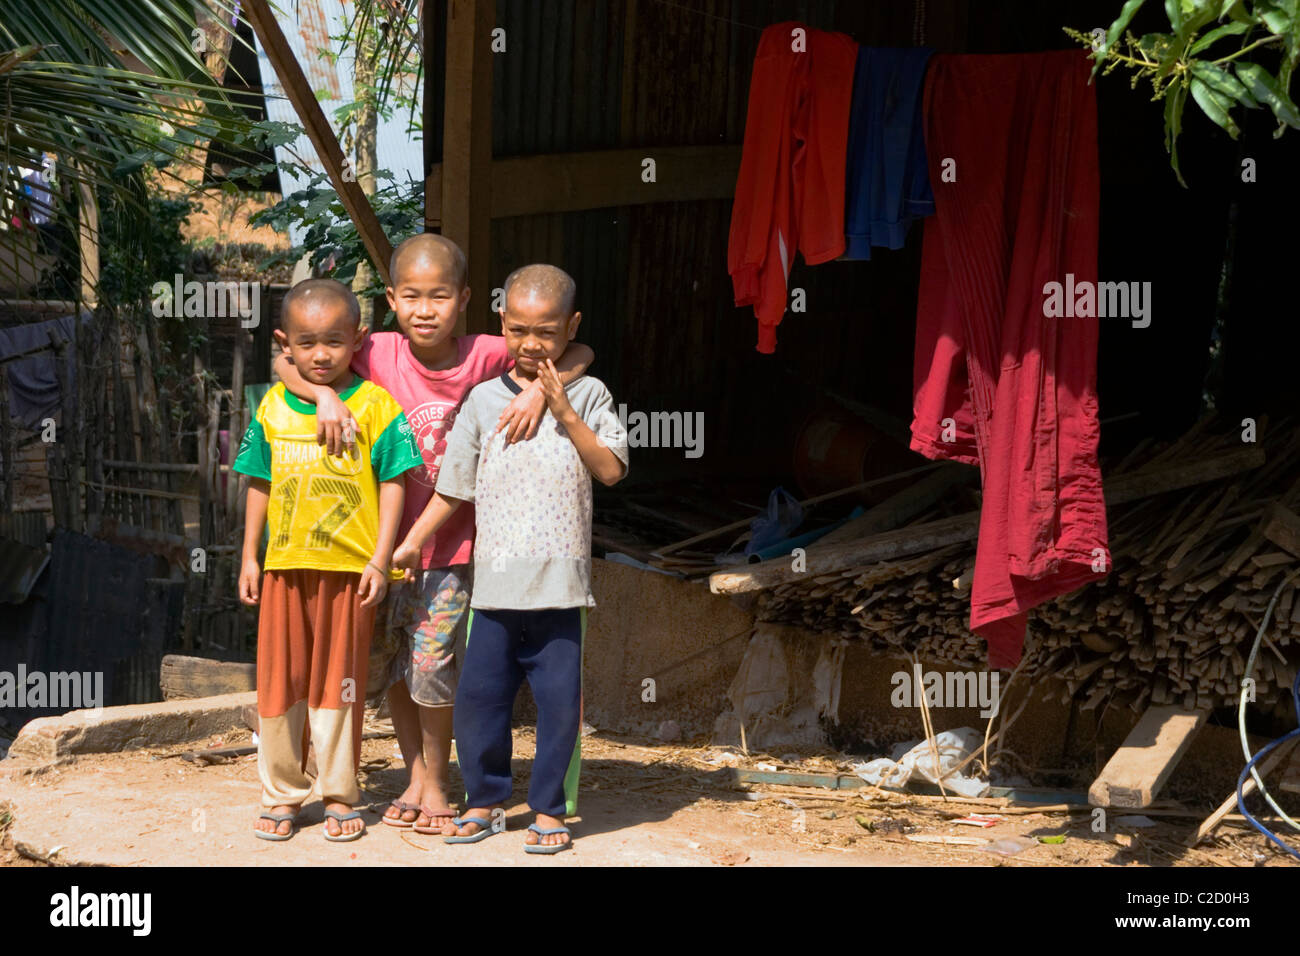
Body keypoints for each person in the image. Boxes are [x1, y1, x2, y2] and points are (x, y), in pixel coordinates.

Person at [274, 235, 593, 834]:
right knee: (397, 663)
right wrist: (322, 396)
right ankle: (414, 774)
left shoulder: (486, 353)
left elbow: (577, 350)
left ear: (467, 300)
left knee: (434, 661)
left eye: (440, 296)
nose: (426, 309)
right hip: (382, 540)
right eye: (412, 296)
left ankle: (438, 780)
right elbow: (287, 360)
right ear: (391, 299)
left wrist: (535, 389)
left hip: (456, 543)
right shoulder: (378, 350)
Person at [393, 263, 627, 854]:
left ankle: (549, 810)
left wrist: (562, 408)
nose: (531, 344)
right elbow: (455, 487)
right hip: (493, 589)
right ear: (501, 323)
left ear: (571, 326)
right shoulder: (480, 402)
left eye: (546, 332)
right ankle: (485, 800)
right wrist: (414, 540)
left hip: (560, 588)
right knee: (479, 703)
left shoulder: (592, 392)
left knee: (557, 708)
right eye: (518, 330)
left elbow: (611, 470)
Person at [236, 278, 422, 842]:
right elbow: (259, 482)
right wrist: (249, 556)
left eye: (335, 342)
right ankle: (283, 795)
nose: (321, 355)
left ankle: (341, 793)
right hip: (284, 568)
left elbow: (395, 483)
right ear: (284, 343)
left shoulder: (375, 406)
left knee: (339, 685)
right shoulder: (272, 405)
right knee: (278, 684)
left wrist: (380, 558)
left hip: (351, 572)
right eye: (308, 342)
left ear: (359, 339)